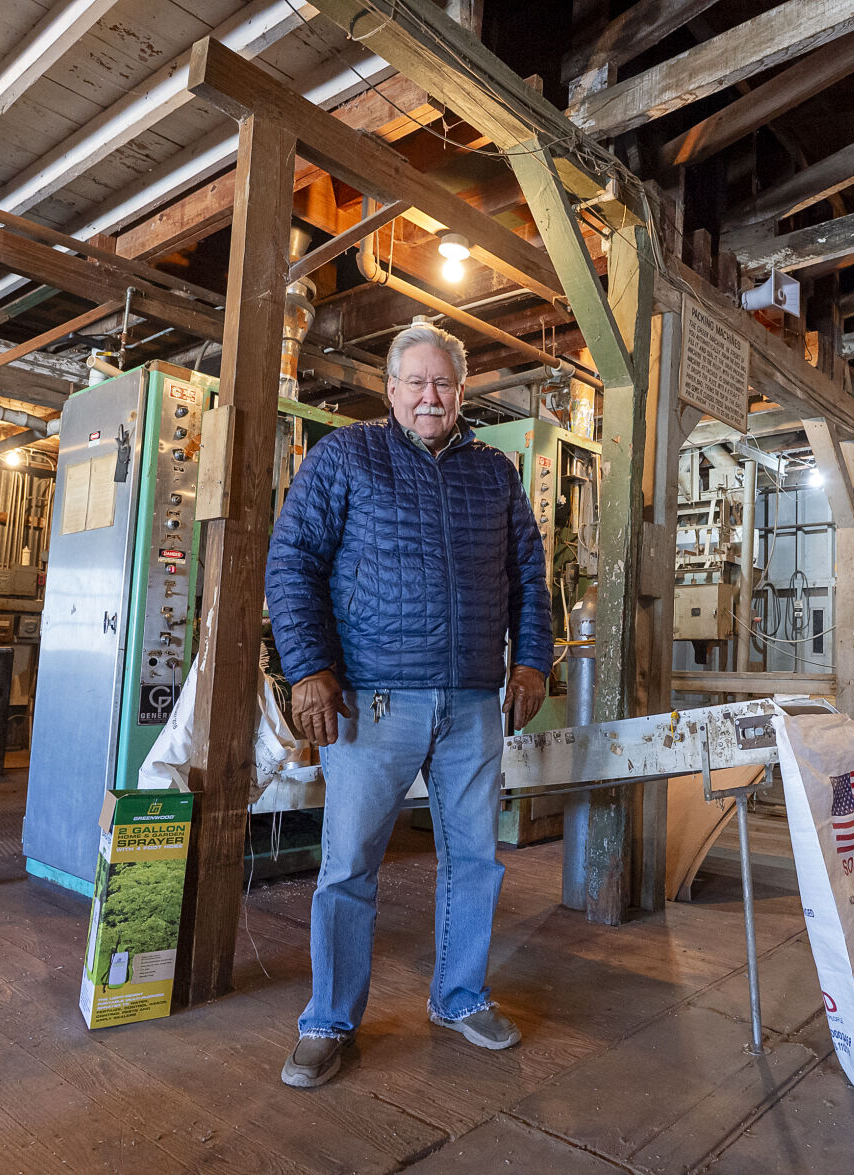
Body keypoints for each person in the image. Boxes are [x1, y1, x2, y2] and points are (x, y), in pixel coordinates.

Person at [266, 322, 551, 1089]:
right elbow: (292, 560)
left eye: (443, 383)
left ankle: (459, 997)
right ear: (390, 388)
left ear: (461, 392)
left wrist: (532, 658)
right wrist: (309, 667)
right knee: (348, 865)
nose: (430, 396)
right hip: (373, 702)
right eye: (416, 382)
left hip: (471, 701)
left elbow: (528, 574)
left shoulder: (493, 472)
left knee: (475, 859)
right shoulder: (345, 456)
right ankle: (328, 1019)